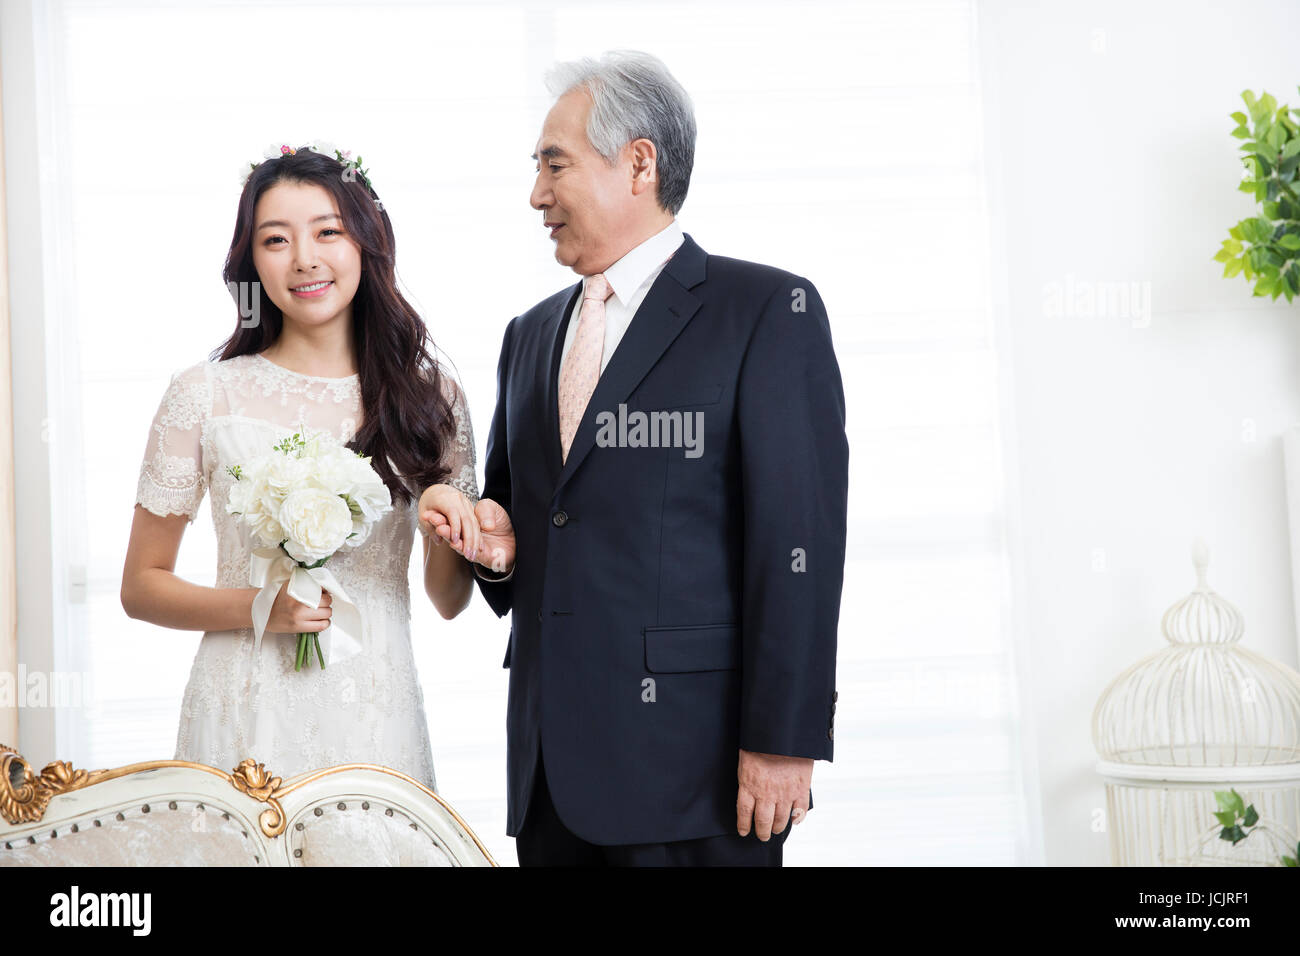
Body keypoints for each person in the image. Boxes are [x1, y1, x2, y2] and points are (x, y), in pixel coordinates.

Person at [443, 50, 849, 866]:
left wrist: (783, 741)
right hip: (551, 777)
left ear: (638, 162)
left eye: (554, 165)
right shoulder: (528, 337)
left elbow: (797, 543)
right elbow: (525, 529)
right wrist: (491, 547)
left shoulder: (766, 311)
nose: (536, 195)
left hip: (695, 775)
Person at [120, 143, 487, 792]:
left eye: (327, 232)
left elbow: (448, 600)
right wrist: (262, 606)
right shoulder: (204, 393)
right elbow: (141, 587)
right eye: (275, 240)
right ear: (250, 260)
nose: (304, 259)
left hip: (375, 715)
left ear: (367, 243)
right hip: (242, 710)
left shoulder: (431, 402)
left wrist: (451, 528)